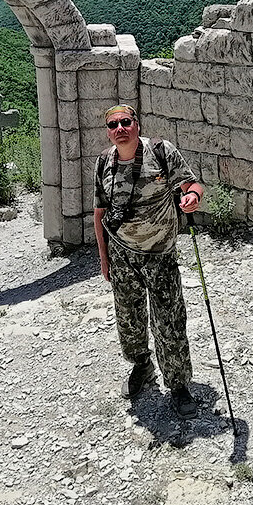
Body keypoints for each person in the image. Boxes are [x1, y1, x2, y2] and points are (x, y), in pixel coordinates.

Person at [93, 104, 205, 419]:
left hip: (160, 253)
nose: (120, 129)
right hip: (122, 253)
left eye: (125, 122)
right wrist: (103, 258)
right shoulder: (104, 162)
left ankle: (179, 385)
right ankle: (142, 366)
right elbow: (99, 212)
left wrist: (192, 197)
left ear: (137, 125)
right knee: (129, 319)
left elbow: (193, 185)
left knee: (169, 321)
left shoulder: (161, 151)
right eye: (113, 124)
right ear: (108, 131)